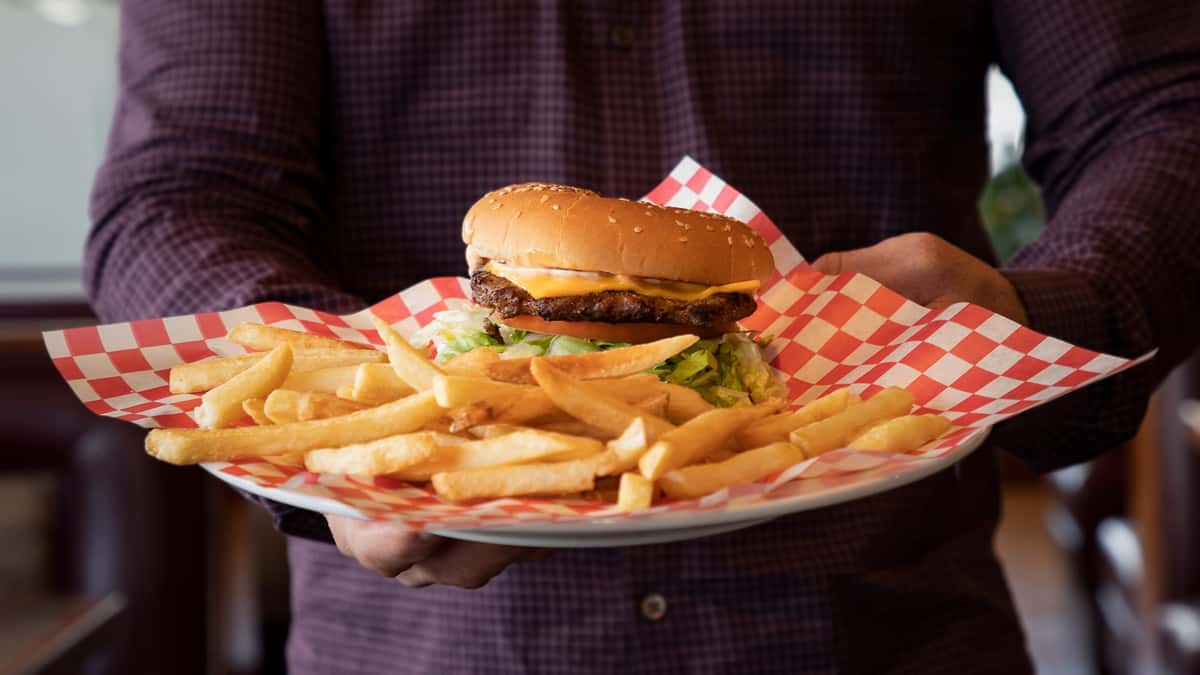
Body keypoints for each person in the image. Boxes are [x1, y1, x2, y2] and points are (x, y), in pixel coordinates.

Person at [85, 2, 1200, 673]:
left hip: (890, 627)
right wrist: (338, 457)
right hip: (421, 645)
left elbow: (1163, 109)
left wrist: (1048, 315)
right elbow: (180, 192)